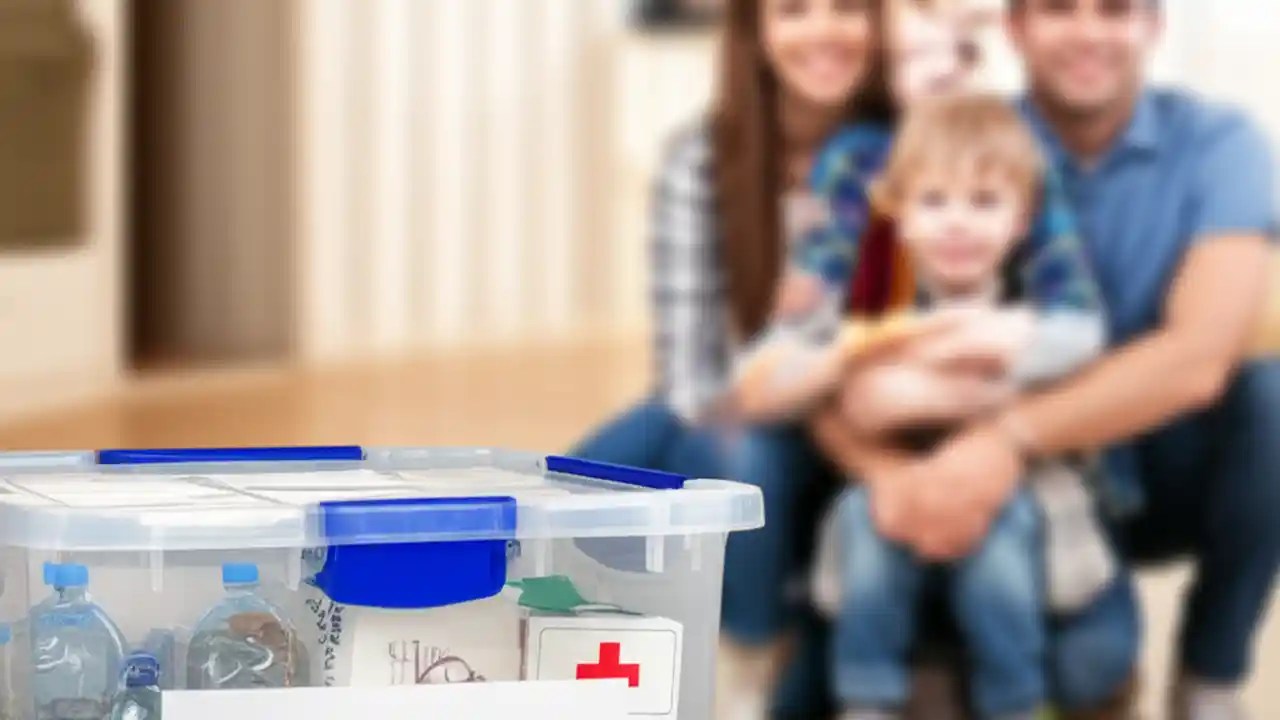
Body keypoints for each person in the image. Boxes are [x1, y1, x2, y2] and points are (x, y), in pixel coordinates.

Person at [817, 1, 1279, 717]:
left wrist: (1003, 439)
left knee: (1272, 397)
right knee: (1074, 670)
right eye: (1059, 9)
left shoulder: (1221, 144)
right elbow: (845, 351)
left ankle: (1209, 680)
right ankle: (914, 660)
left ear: (1153, 27)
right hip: (1002, 481)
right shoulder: (963, 141)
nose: (1089, 32)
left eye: (1115, 10)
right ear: (1016, 29)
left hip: (1142, 465)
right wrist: (900, 470)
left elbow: (1199, 361)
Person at [567, 2, 897, 716]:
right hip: (734, 407)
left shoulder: (903, 154)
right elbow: (689, 377)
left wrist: (795, 384)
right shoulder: (702, 157)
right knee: (584, 483)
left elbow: (889, 350)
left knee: (723, 453)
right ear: (757, 31)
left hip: (849, 428)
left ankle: (749, 658)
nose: (823, 30)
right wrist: (766, 387)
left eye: (848, 8)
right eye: (794, 10)